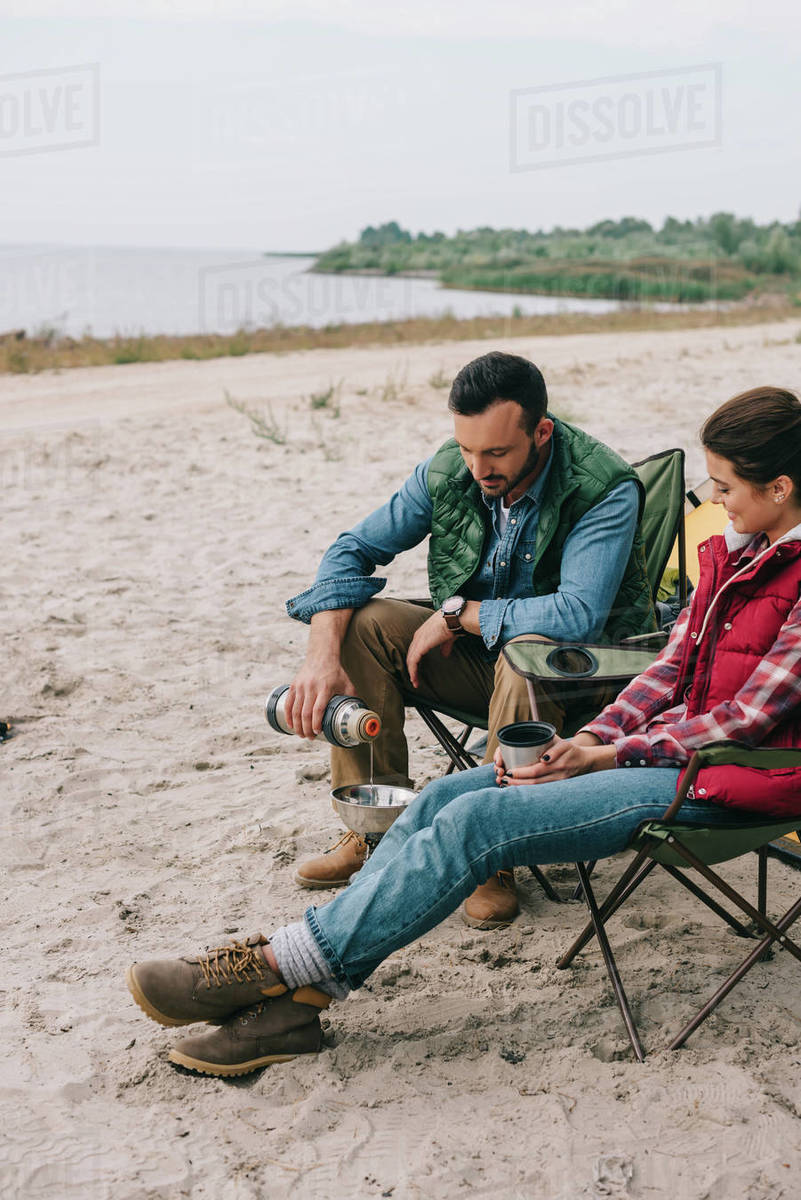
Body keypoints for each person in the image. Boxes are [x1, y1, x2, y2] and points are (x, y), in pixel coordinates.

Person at [126, 385, 801, 1077]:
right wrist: (584, 745)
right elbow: (665, 673)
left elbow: (743, 718)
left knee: (476, 821)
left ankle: (271, 967)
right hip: (656, 760)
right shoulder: (738, 552)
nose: (714, 502)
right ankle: (295, 1007)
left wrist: (606, 755)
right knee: (438, 801)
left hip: (727, 780)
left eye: (723, 487)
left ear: (777, 487)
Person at [283, 350, 654, 928]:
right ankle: (375, 830)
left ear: (542, 431)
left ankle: (490, 853)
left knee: (524, 644)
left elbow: (579, 614)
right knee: (364, 623)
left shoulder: (601, 486)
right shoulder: (449, 471)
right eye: (467, 448)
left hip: (580, 680)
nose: (479, 467)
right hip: (479, 667)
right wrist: (321, 654)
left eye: (497, 452)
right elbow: (349, 551)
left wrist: (460, 614)